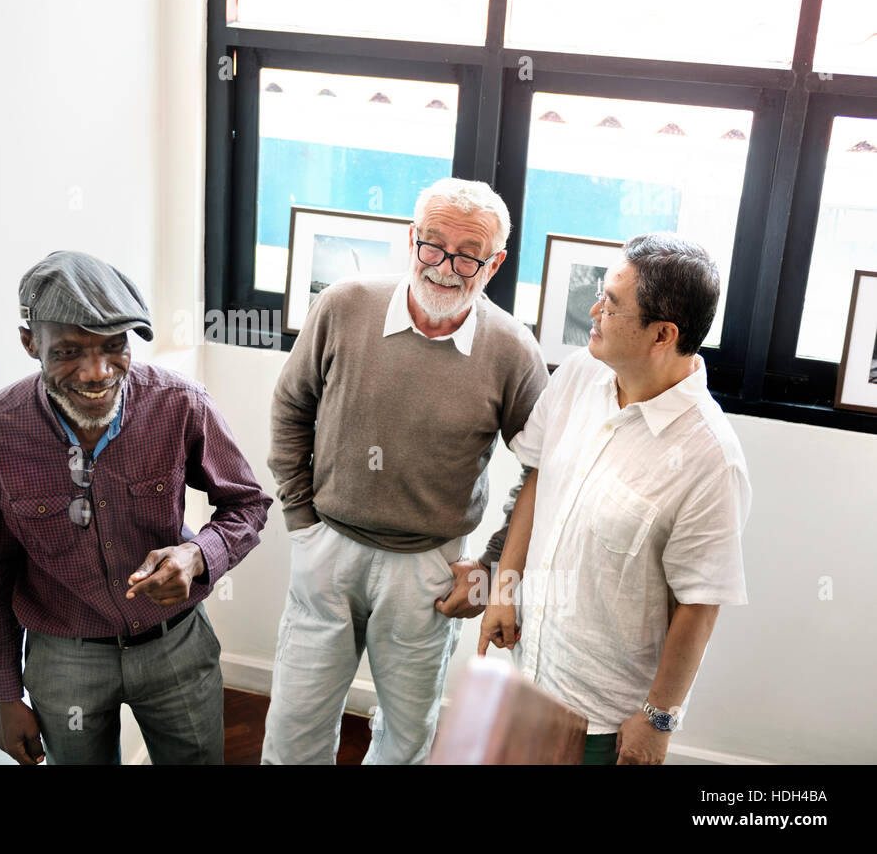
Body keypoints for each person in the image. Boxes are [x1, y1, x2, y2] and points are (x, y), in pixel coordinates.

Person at [263, 177, 548, 764]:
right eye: (433, 244)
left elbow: (542, 472)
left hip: (431, 570)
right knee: (294, 732)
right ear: (411, 238)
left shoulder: (514, 350)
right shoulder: (344, 304)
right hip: (328, 548)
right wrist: (301, 519)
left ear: (492, 264)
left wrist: (492, 570)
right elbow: (292, 407)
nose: (446, 266)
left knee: (406, 740)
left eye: (469, 254)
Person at [0, 250, 272, 765]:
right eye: (67, 352)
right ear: (29, 343)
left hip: (177, 646)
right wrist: (5, 695)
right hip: (63, 661)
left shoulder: (180, 403)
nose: (96, 372)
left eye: (113, 347)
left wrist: (197, 557)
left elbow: (247, 505)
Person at [478, 233, 750, 765]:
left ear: (662, 334)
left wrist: (659, 719)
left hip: (602, 720)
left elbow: (699, 602)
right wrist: (503, 587)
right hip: (529, 674)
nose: (593, 310)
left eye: (612, 303)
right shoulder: (582, 372)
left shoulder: (711, 458)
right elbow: (539, 476)